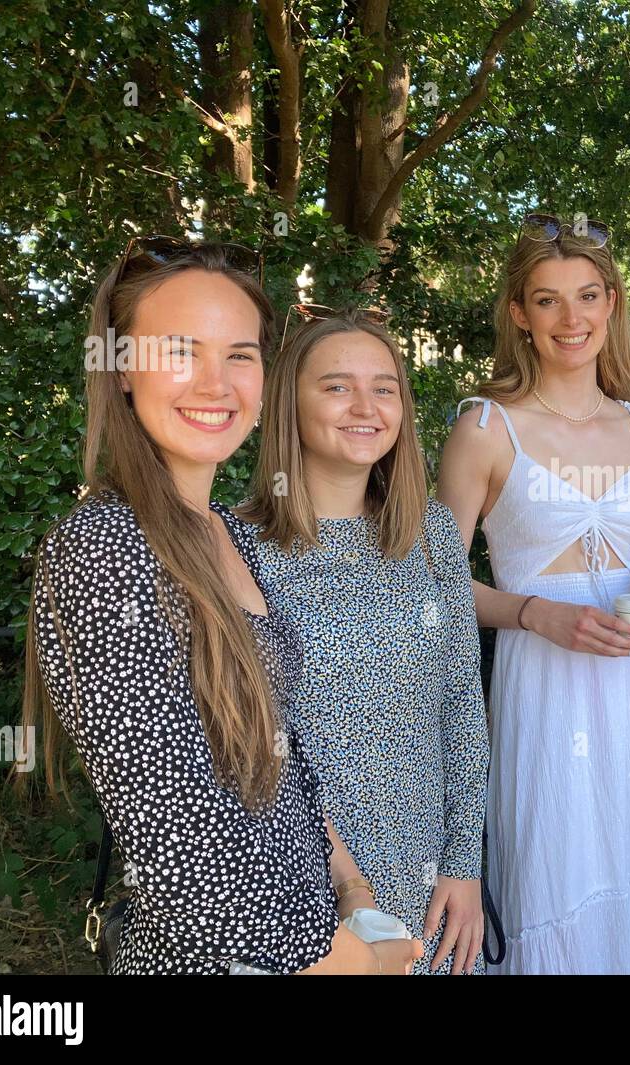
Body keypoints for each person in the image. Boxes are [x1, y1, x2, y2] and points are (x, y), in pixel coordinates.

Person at [23, 238, 420, 975]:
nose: (216, 383)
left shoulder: (228, 531)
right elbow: (178, 846)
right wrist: (353, 963)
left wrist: (351, 885)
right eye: (181, 350)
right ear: (120, 372)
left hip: (310, 933)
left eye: (239, 354)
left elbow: (280, 751)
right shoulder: (103, 547)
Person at [437, 214, 630, 974]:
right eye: (548, 300)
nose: (572, 319)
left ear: (612, 304)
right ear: (518, 315)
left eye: (588, 296)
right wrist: (533, 612)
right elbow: (428, 585)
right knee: (558, 870)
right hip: (546, 688)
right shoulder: (485, 429)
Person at [239, 308, 489, 975]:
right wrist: (341, 881)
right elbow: (244, 743)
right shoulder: (239, 547)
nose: (365, 406)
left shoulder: (431, 532)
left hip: (430, 877)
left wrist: (466, 862)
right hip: (302, 875)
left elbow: (461, 700)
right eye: (337, 386)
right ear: (289, 401)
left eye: (384, 387)